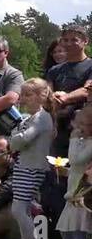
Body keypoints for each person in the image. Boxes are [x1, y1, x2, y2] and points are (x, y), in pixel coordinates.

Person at [9, 78, 54, 239]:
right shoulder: (30, 118)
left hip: (33, 168)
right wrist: (15, 138)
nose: (24, 99)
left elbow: (21, 140)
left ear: (41, 96)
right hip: (24, 166)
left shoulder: (42, 118)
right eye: (23, 95)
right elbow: (18, 140)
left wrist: (14, 137)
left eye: (28, 95)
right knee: (21, 209)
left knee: (19, 209)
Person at [47, 25, 92, 157]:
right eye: (65, 40)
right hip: (58, 129)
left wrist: (65, 98)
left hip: (84, 130)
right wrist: (52, 97)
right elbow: (47, 94)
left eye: (74, 40)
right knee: (57, 171)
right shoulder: (54, 70)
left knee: (79, 173)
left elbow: (87, 90)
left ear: (85, 41)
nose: (69, 43)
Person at [57, 108, 92, 239]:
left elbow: (77, 159)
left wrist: (72, 140)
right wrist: (67, 172)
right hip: (73, 190)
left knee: (79, 230)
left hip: (82, 193)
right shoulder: (82, 140)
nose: (77, 128)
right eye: (76, 124)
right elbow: (77, 167)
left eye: (82, 125)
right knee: (65, 229)